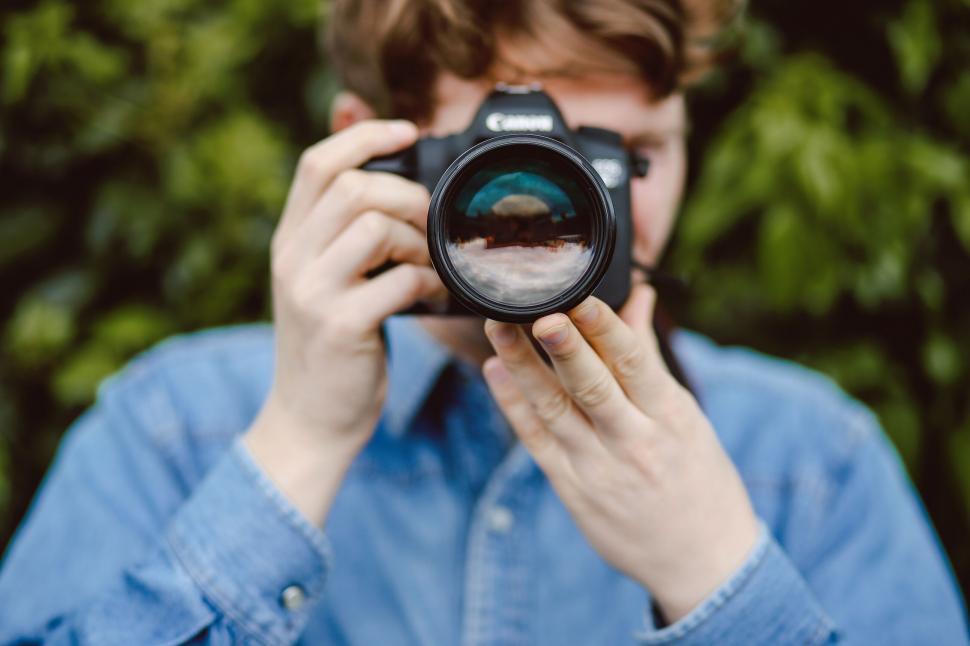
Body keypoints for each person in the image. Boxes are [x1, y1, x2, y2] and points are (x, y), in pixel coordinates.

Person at [0, 0, 966, 643]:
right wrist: (297, 446)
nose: (573, 213)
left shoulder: (813, 460)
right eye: (524, 167)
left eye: (626, 157)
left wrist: (718, 573)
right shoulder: (174, 426)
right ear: (366, 151)